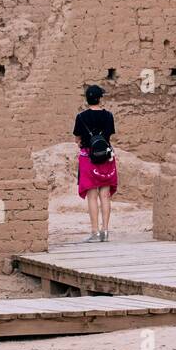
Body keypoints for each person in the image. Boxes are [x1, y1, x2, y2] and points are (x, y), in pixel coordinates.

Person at [72, 84, 117, 242]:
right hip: (106, 157)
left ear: (87, 99)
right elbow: (109, 136)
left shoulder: (81, 117)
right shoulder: (109, 116)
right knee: (105, 195)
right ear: (100, 99)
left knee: (92, 196)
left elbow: (77, 139)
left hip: (88, 158)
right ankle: (105, 231)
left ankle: (95, 232)